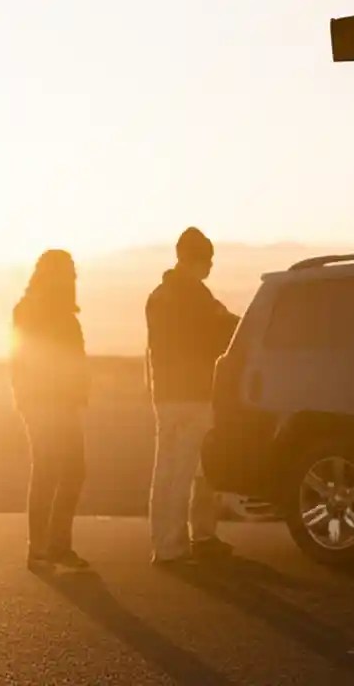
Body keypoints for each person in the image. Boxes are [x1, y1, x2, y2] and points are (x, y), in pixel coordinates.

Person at [145, 227, 240, 566]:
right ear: (195, 259)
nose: (210, 267)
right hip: (193, 395)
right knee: (187, 471)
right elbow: (225, 330)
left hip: (168, 394)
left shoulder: (160, 295)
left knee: (173, 470)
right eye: (208, 260)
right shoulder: (195, 297)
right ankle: (177, 545)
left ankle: (180, 541)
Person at [11, 249, 91, 573]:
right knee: (47, 470)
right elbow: (26, 356)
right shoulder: (30, 309)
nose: (73, 277)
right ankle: (40, 549)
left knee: (73, 470)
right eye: (68, 271)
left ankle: (58, 545)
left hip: (65, 402)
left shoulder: (65, 313)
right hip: (42, 402)